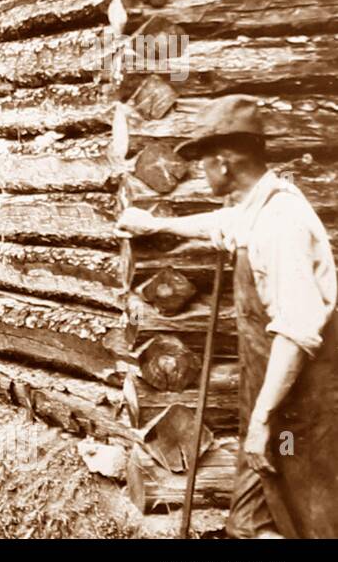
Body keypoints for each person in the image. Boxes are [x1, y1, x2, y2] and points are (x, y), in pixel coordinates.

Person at [117, 96, 338, 538]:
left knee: (310, 520)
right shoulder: (257, 212)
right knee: (251, 523)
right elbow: (224, 222)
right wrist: (155, 225)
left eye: (202, 164)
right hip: (274, 407)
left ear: (223, 163)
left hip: (298, 413)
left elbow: (295, 333)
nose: (200, 174)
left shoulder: (282, 223)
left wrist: (261, 423)